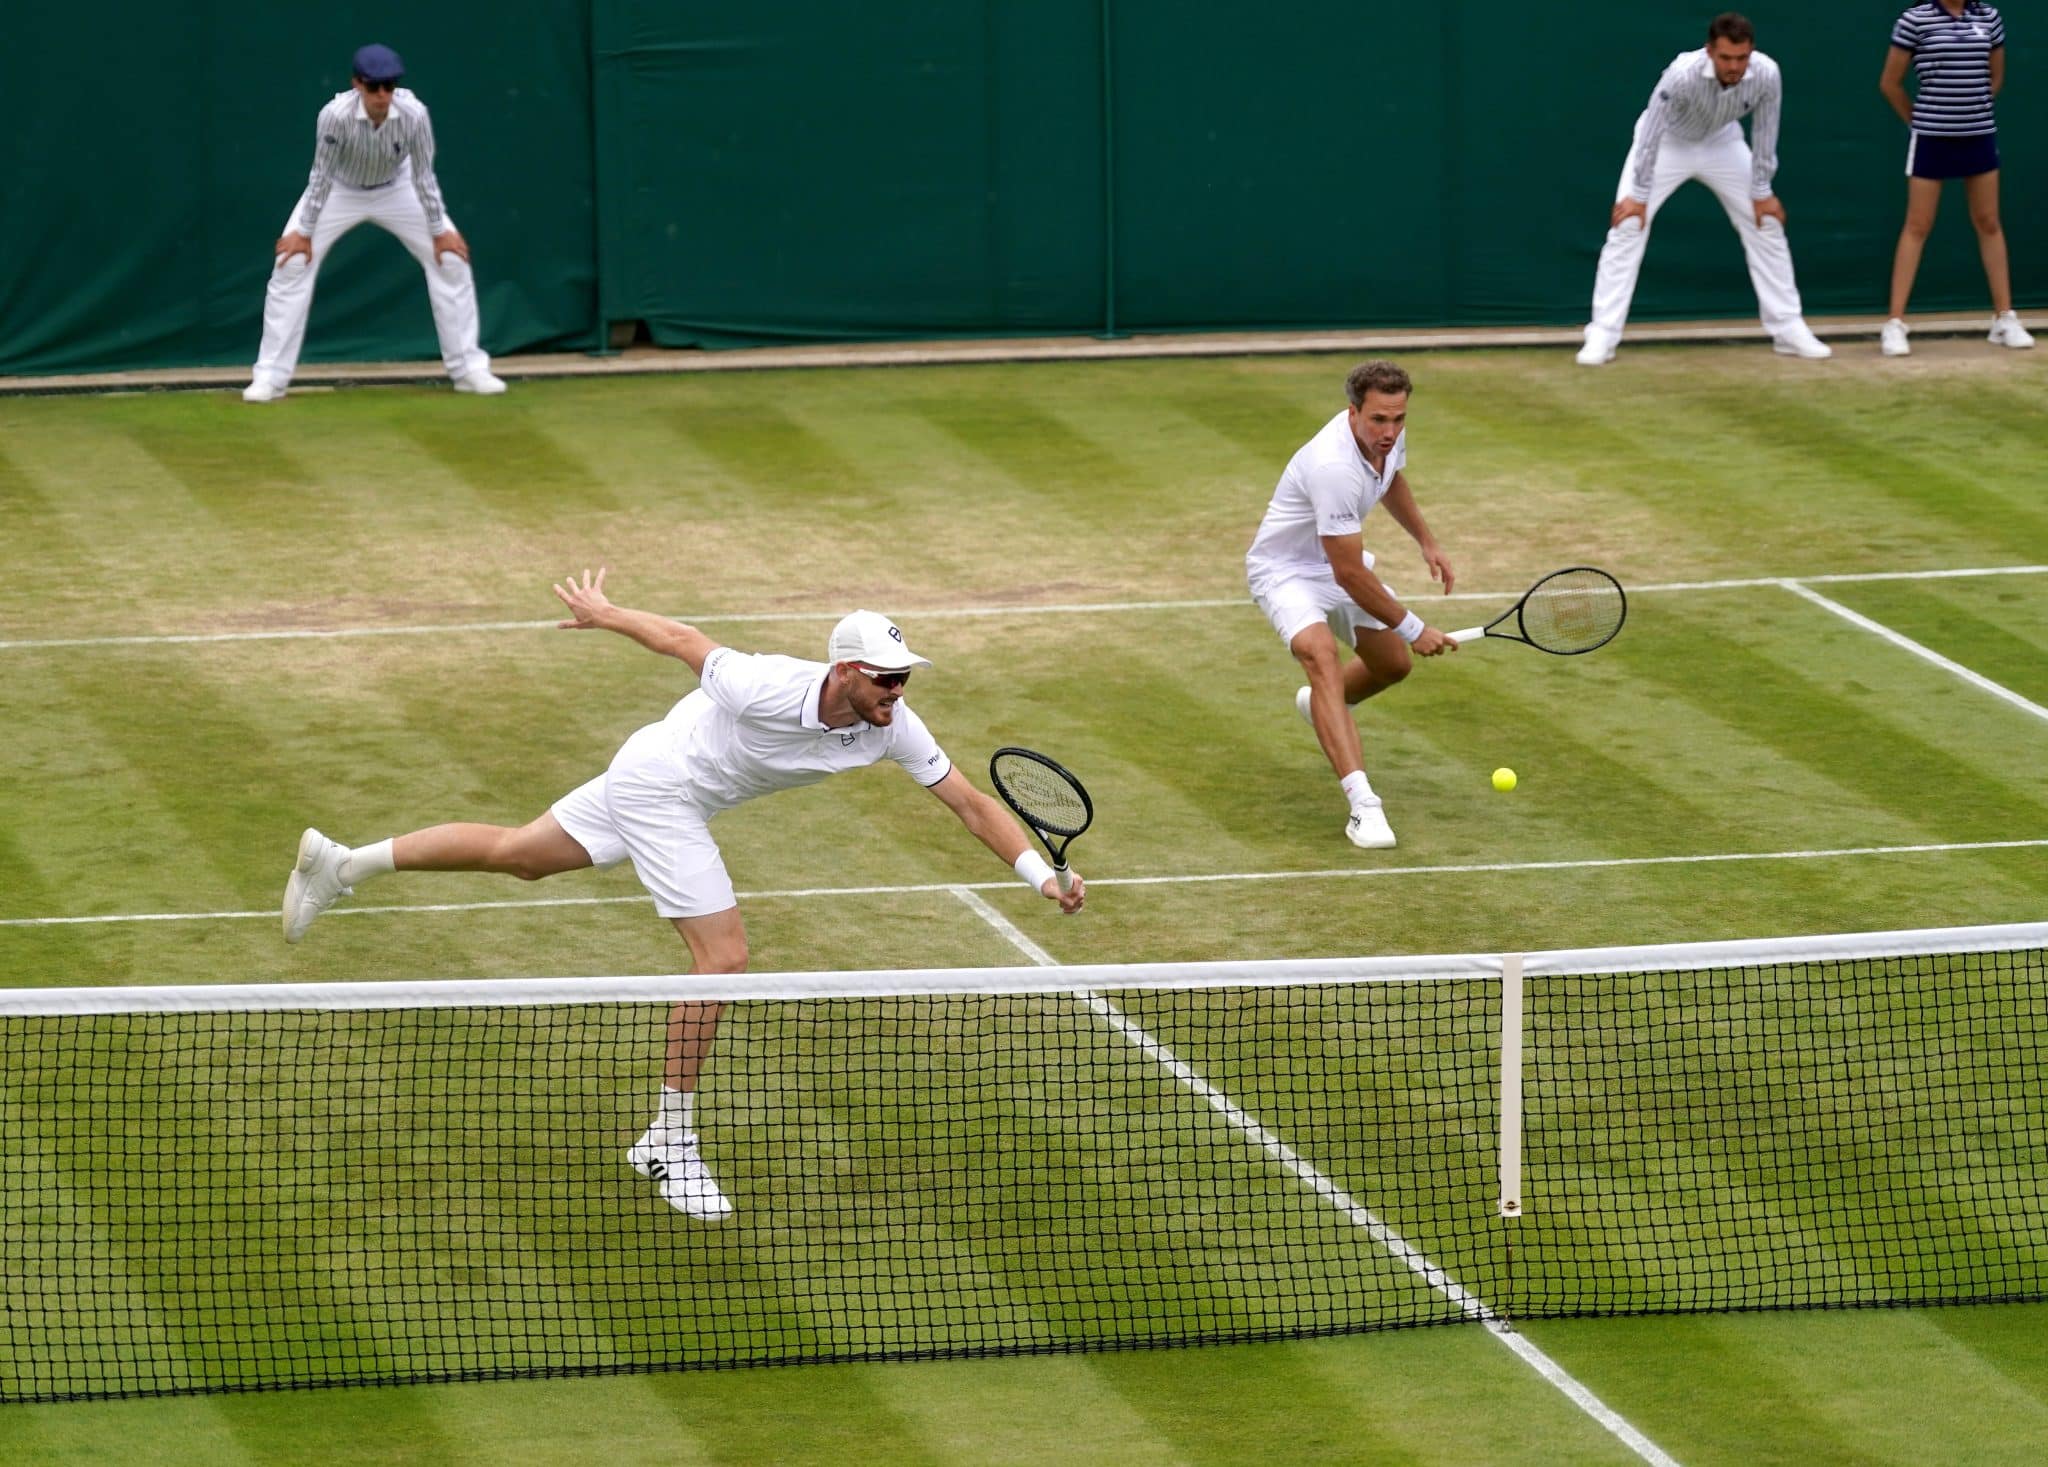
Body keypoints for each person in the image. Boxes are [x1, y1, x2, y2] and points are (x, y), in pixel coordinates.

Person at [280, 573, 1086, 1220]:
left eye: (904, 678)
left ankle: (344, 865)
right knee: (723, 958)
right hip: (661, 786)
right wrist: (604, 612)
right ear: (844, 669)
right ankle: (669, 1140)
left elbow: (972, 803)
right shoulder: (765, 685)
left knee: (520, 855)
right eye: (884, 678)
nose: (897, 691)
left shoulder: (892, 726)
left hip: (664, 778)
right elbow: (680, 639)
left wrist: (1041, 876)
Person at [1245, 360, 1456, 851]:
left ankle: (1322, 706)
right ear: (1353, 412)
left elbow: (1391, 480)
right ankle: (1364, 807)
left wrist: (1427, 541)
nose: (1390, 431)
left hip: (1335, 563)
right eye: (1379, 420)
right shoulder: (1333, 466)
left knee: (1392, 667)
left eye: (1399, 419)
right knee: (1321, 656)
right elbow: (1350, 575)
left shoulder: (1384, 437)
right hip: (1286, 573)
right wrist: (1414, 626)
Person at [244, 44, 505, 402]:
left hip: (398, 189)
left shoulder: (414, 114)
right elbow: (320, 176)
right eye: (374, 87)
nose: (382, 95)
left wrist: (438, 230)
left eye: (389, 86)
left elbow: (424, 176)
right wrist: (303, 233)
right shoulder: (334, 116)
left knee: (452, 259)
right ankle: (270, 377)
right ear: (357, 84)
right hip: (339, 189)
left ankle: (468, 369)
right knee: (291, 263)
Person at [1577, 13, 1832, 366]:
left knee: (1767, 222)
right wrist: (1637, 195)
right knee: (1628, 225)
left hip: (1722, 143)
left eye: (1741, 58)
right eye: (1726, 58)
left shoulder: (1767, 74)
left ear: (1751, 51)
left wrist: (1761, 190)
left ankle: (1788, 327)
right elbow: (1651, 129)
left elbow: (1765, 131)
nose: (1734, 66)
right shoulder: (1682, 74)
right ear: (1710, 51)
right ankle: (1602, 333)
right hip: (1667, 144)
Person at [1878, 1, 2033, 356]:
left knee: (1989, 221)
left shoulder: (1989, 17)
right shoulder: (1914, 19)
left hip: (1978, 136)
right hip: (1931, 138)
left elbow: (1996, 77)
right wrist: (1918, 120)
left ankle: (2004, 318)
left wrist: (1973, 108)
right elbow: (1890, 83)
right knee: (1917, 225)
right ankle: (1895, 324)